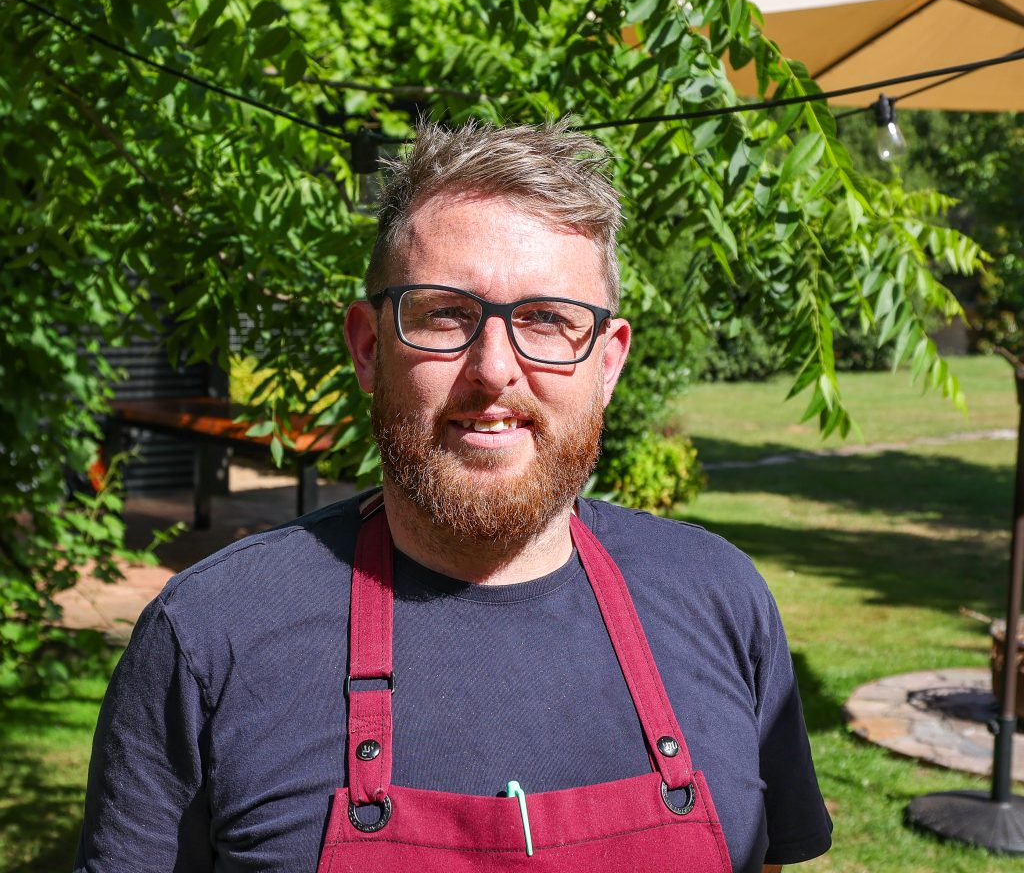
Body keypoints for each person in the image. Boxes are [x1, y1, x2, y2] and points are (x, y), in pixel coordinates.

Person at [76, 121, 832, 873]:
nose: (494, 369)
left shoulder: (719, 597)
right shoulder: (211, 637)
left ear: (607, 363)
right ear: (368, 348)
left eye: (547, 319)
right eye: (445, 314)